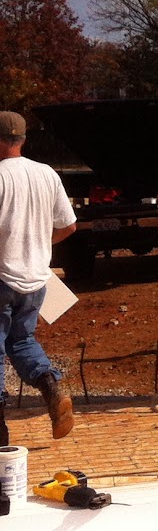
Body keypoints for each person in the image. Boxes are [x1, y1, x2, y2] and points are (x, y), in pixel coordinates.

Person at [0, 110, 76, 440]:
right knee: (21, 340)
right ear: (23, 139)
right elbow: (69, 226)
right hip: (36, 280)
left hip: (1, 277)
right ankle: (51, 384)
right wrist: (37, 245)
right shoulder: (46, 174)